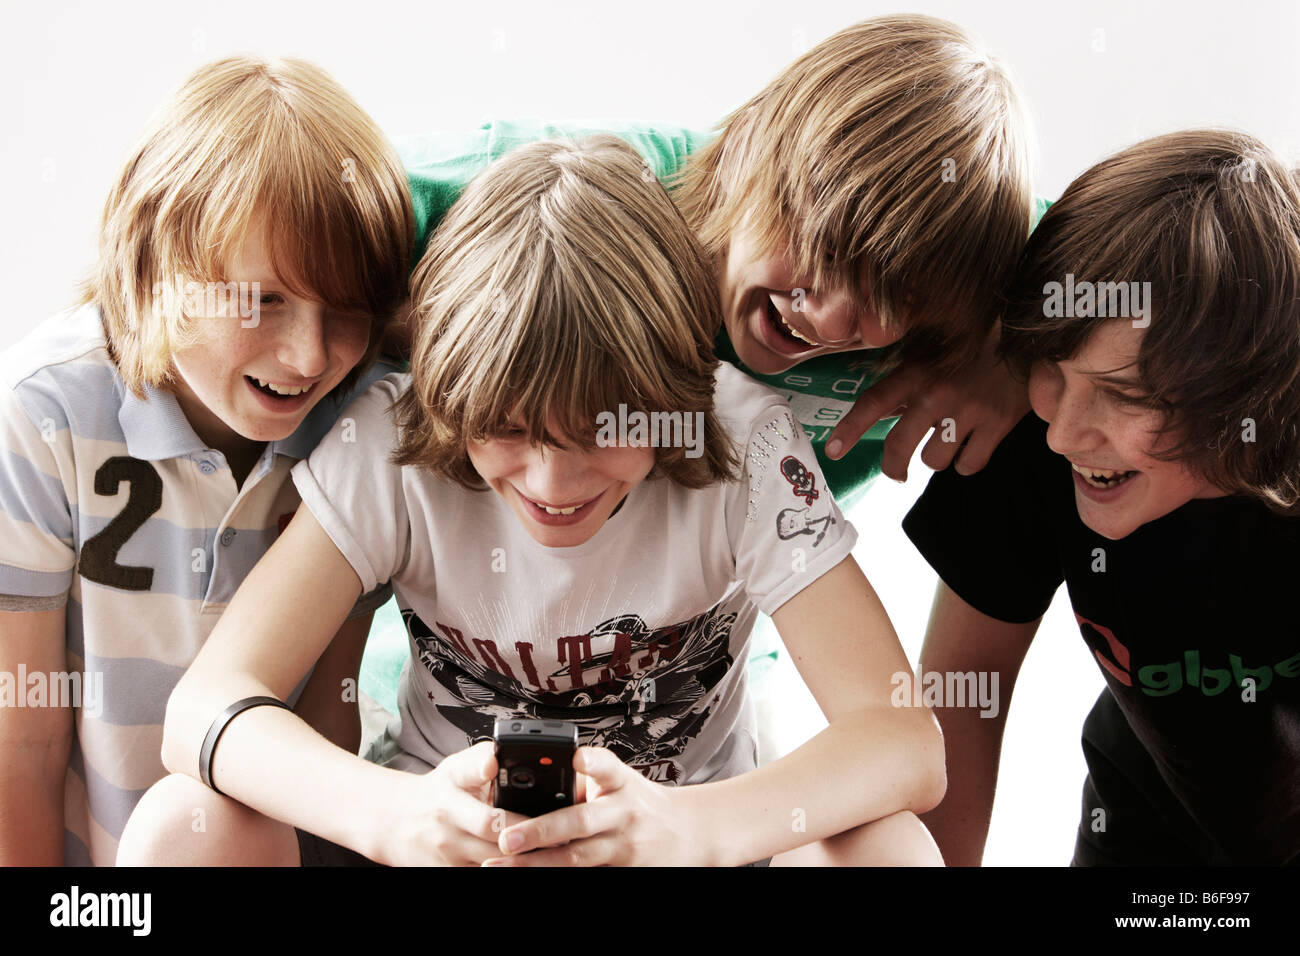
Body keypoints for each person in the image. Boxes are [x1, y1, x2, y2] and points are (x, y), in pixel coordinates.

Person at [118, 136, 946, 866]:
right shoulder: (393, 437)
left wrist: (685, 829)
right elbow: (204, 707)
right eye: (506, 430)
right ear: (449, 397)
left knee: (887, 848)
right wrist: (396, 817)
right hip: (439, 839)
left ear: (674, 395)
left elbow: (903, 739)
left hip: (686, 835)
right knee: (183, 824)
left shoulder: (747, 440)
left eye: (599, 431)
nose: (553, 485)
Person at [0, 55, 413, 865]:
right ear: (156, 263)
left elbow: (332, 715)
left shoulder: (359, 420)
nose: (306, 357)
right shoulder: (45, 414)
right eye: (261, 301)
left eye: (348, 313)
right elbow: (24, 742)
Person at [393, 14, 1041, 510]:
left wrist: (1011, 357)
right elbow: (307, 186)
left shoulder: (972, 259)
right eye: (823, 248)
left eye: (893, 296)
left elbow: (1137, 245)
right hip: (459, 639)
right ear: (744, 149)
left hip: (710, 649)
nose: (832, 321)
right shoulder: (563, 202)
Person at [903, 129, 1300, 865]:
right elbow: (963, 692)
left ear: (1251, 396)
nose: (1066, 434)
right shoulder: (1028, 433)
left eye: (1122, 396)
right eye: (1052, 367)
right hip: (1145, 833)